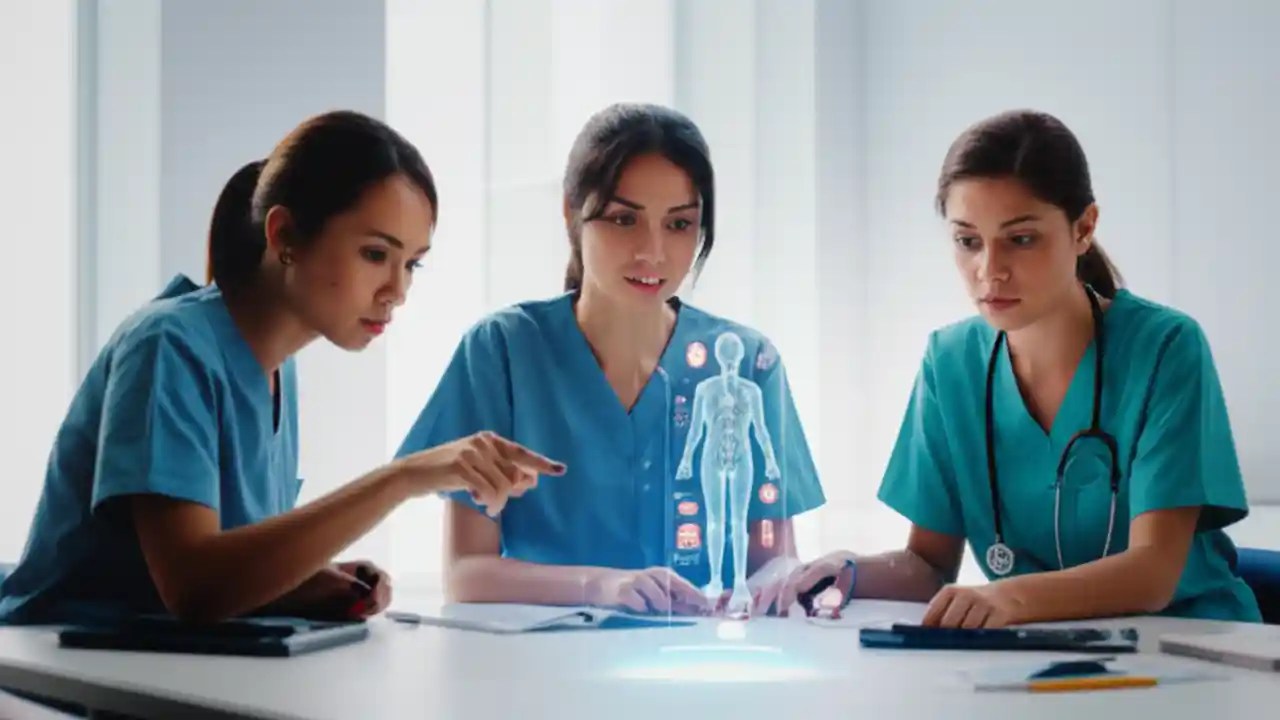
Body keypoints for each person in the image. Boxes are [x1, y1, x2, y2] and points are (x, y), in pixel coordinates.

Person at [0, 110, 563, 626]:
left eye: (411, 264)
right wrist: (403, 478)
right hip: (54, 666)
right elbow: (195, 587)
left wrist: (308, 582)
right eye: (375, 255)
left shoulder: (276, 371)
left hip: (159, 661)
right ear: (284, 235)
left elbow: (215, 569)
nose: (398, 291)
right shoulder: (168, 345)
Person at [765, 109, 1261, 626]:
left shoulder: (1165, 348)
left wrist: (1009, 599)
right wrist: (846, 567)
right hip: (1042, 655)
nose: (989, 270)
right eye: (967, 241)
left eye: (1020, 239)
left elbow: (1153, 574)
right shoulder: (950, 363)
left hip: (1195, 648)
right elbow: (929, 565)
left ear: (1084, 227)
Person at [397, 103, 825, 617]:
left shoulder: (751, 362)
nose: (653, 252)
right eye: (624, 219)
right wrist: (600, 585)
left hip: (702, 665)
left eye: (680, 224)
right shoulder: (502, 352)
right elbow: (467, 572)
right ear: (570, 212)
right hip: (539, 663)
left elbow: (773, 558)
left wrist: (791, 578)